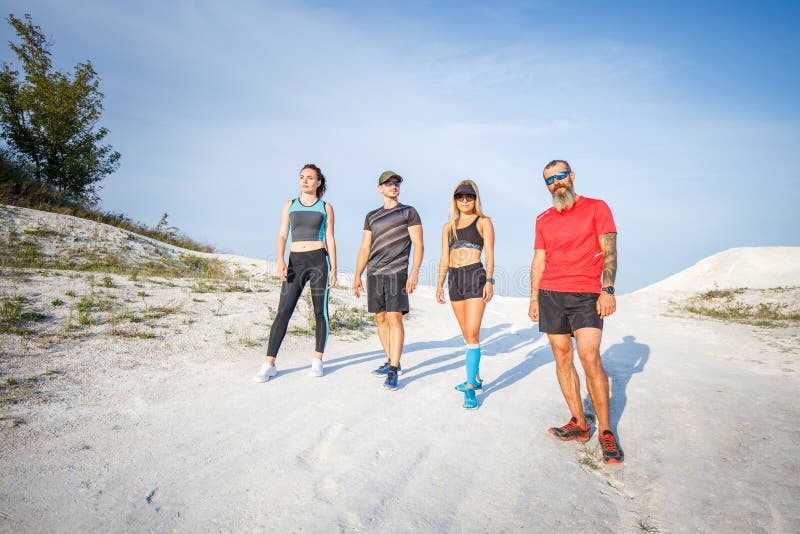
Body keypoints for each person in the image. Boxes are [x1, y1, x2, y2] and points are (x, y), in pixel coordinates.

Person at [528, 159, 623, 464]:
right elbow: (539, 261)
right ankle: (579, 423)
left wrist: (608, 289)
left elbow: (609, 251)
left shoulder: (597, 207)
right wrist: (533, 298)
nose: (556, 182)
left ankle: (606, 430)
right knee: (562, 356)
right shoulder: (543, 219)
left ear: (571, 176)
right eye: (549, 179)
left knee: (589, 356)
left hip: (586, 294)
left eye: (560, 176)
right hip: (551, 294)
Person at [253, 163, 337, 382]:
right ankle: (269, 364)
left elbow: (330, 238)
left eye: (310, 177)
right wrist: (280, 260)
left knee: (320, 311)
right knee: (283, 310)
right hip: (295, 262)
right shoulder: (290, 205)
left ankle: (317, 360)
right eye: (302, 177)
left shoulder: (325, 207)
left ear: (318, 182)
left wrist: (334, 268)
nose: (305, 181)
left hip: (319, 261)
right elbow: (282, 235)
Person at [354, 170, 423, 391]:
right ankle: (392, 359)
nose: (393, 186)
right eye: (389, 183)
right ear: (380, 188)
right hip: (374, 272)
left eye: (396, 183)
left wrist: (414, 272)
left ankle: (393, 370)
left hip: (397, 272)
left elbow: (418, 244)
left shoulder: (408, 212)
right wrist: (357, 275)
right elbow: (365, 247)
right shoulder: (371, 216)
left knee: (395, 317)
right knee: (381, 318)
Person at [435, 181, 495, 409]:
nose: (465, 200)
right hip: (454, 278)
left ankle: (470, 387)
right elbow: (444, 257)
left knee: (472, 333)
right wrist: (440, 284)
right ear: (455, 200)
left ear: (475, 198)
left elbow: (489, 253)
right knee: (465, 333)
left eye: (469, 196)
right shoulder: (448, 227)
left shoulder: (484, 222)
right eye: (460, 196)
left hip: (474, 275)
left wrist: (489, 281)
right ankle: (476, 377)